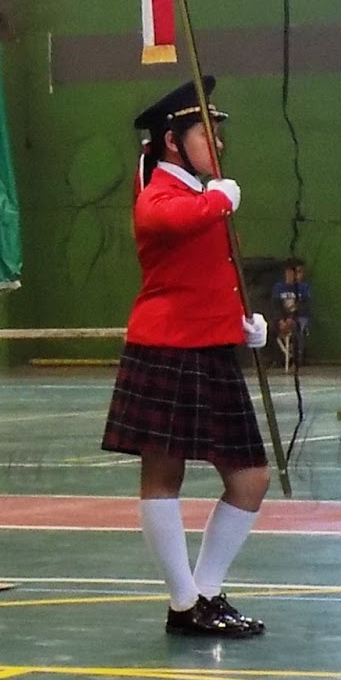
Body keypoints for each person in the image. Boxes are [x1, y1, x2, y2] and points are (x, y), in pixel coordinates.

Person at [102, 77, 270, 638]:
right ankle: (183, 603)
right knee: (163, 472)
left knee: (250, 478)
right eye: (207, 130)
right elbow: (163, 221)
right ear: (173, 141)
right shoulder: (162, 195)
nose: (218, 141)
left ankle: (206, 591)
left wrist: (241, 323)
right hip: (167, 348)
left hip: (210, 349)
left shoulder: (199, 195)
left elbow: (211, 272)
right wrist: (218, 198)